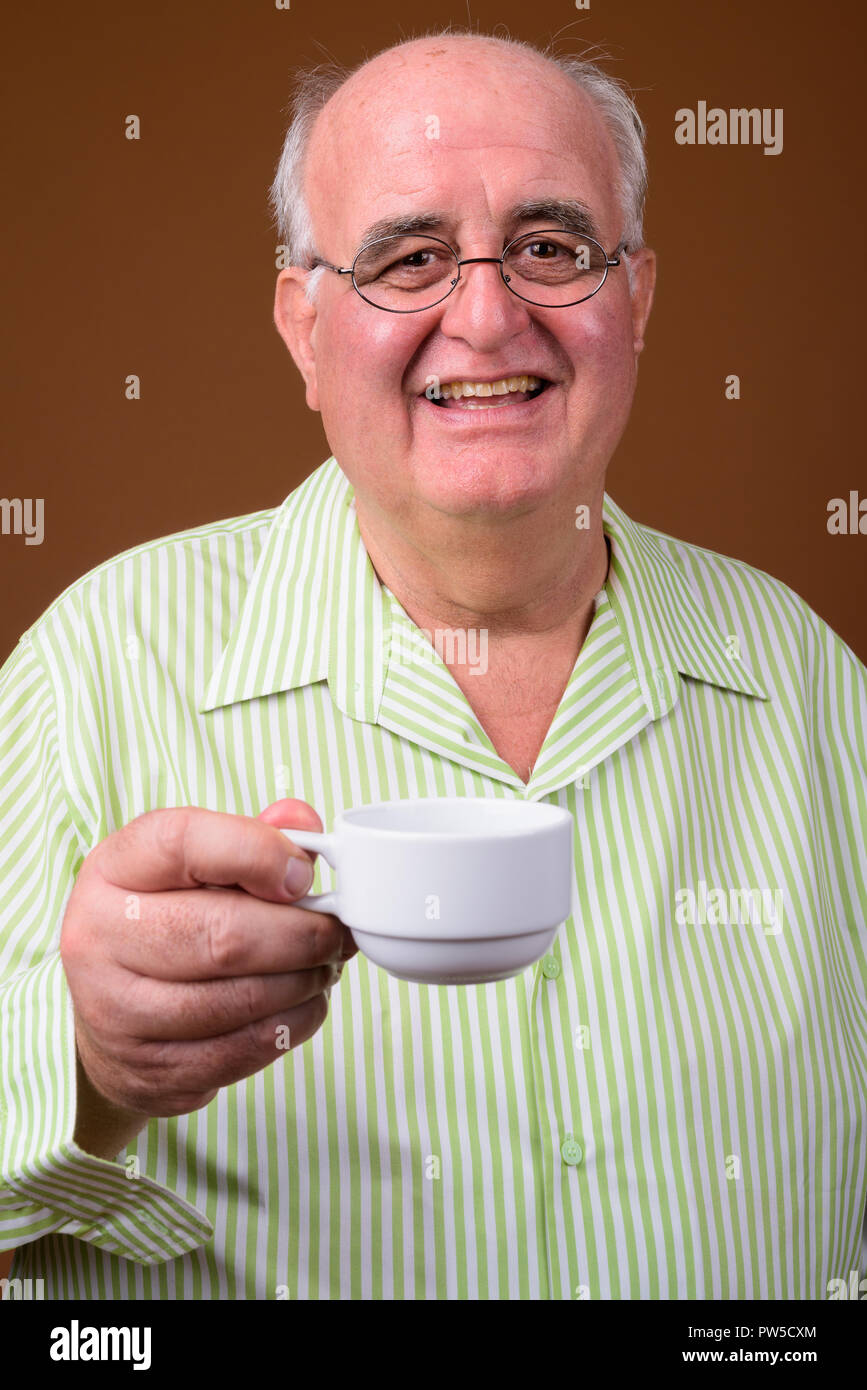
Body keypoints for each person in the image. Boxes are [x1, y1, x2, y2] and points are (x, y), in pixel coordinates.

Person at [1, 27, 865, 1301]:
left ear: (637, 298)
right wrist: (78, 1060)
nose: (485, 313)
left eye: (552, 247)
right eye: (408, 259)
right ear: (303, 324)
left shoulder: (806, 679)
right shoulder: (94, 666)